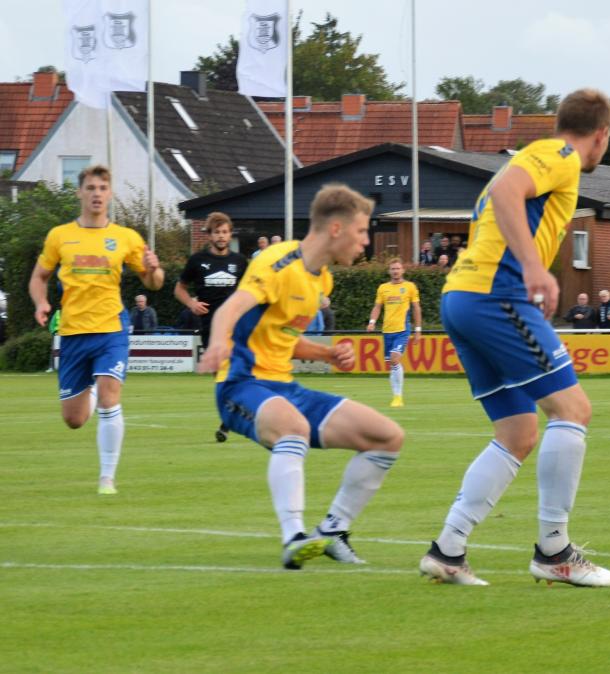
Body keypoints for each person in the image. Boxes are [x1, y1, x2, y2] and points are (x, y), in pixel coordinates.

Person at [418, 88, 610, 587]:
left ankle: (448, 547)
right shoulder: (562, 156)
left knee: (517, 433)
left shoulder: (535, 155)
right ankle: (554, 551)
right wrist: (534, 268)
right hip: (496, 296)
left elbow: (503, 195)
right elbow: (509, 193)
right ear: (601, 134)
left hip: (463, 298)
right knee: (573, 410)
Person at [199, 183, 406, 570]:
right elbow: (229, 311)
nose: (366, 242)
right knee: (293, 427)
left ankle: (332, 531)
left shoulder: (321, 279)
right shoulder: (276, 264)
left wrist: (327, 353)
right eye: (362, 232)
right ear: (336, 229)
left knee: (388, 437)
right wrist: (215, 345)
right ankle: (293, 536)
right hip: (240, 386)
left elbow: (284, 339)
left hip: (284, 387)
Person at [28, 164, 165, 495]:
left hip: (111, 329)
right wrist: (41, 303)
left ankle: (107, 478)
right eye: (90, 188)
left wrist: (154, 269)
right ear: (80, 193)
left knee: (109, 396)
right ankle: (86, 392)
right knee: (74, 420)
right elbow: (38, 278)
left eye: (102, 188)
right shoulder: (59, 236)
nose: (96, 194)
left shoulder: (126, 238)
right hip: (74, 332)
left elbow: (154, 283)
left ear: (110, 194)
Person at [175, 212, 250, 443]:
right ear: (210, 235)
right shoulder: (197, 261)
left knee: (237, 370)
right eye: (217, 232)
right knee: (221, 374)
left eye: (225, 232)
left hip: (237, 325)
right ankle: (233, 412)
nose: (221, 236)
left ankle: (229, 419)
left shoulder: (239, 262)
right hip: (210, 327)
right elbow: (179, 288)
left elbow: (251, 291)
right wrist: (191, 303)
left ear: (230, 234)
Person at [367, 258, 422, 408]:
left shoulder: (410, 287)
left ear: (403, 270)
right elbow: (377, 307)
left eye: (398, 268)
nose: (396, 271)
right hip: (387, 330)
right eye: (393, 269)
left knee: (394, 359)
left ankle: (398, 397)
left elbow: (416, 308)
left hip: (402, 330)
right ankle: (395, 395)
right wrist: (372, 322)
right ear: (389, 271)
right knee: (391, 364)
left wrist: (418, 330)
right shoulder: (383, 288)